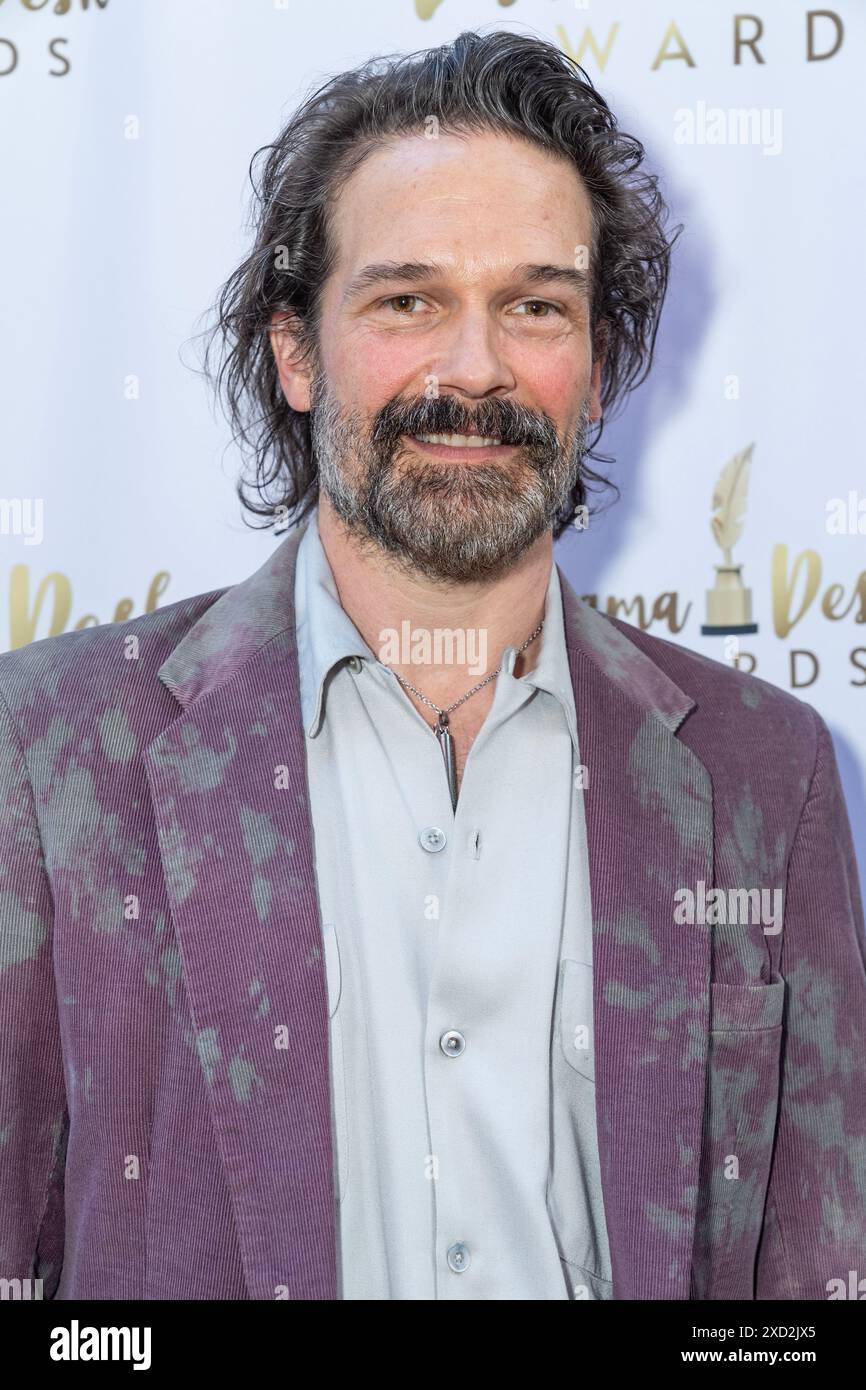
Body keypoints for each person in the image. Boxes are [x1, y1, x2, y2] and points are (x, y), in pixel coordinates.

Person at [1, 29, 864, 1302]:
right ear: (296, 353)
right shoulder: (51, 749)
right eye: (407, 300)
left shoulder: (759, 771)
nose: (474, 368)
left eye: (534, 306)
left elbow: (806, 1285)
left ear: (595, 365)